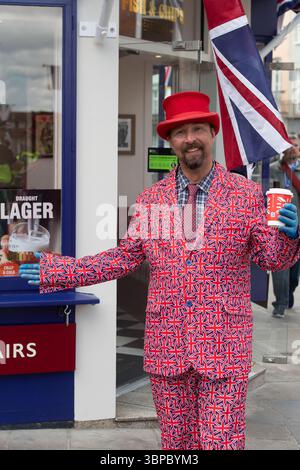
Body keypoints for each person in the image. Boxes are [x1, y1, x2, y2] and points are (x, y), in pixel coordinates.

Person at [19, 91, 300, 450]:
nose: (190, 139)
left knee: (221, 442)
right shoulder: (153, 200)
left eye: (198, 128)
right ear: (170, 141)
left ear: (212, 133)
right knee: (176, 445)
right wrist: (60, 271)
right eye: (180, 133)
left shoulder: (245, 195)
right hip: (167, 343)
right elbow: (123, 258)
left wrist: (291, 238)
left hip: (225, 344)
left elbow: (271, 259)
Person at [269, 135, 300, 317]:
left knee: (294, 273)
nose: (291, 148)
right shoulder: (275, 169)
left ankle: (288, 294)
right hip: (280, 226)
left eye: (295, 145)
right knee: (280, 269)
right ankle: (279, 304)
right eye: (288, 145)